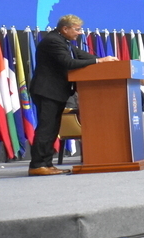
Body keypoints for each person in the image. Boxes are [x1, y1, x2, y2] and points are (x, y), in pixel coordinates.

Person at [27, 14, 117, 175]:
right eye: (77, 29)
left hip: (55, 92)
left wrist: (107, 61)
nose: (80, 33)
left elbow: (82, 56)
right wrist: (99, 61)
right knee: (46, 129)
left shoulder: (64, 41)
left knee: (52, 129)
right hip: (47, 91)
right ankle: (37, 165)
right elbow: (69, 63)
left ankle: (47, 164)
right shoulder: (53, 41)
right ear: (65, 28)